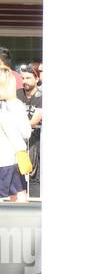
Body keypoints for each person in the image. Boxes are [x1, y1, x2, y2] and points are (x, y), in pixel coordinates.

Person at [0, 55, 32, 202]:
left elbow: (26, 132)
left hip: (12, 161)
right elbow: (26, 132)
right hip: (10, 161)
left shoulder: (14, 105)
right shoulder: (14, 104)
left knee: (18, 200)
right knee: (19, 200)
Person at [17, 65, 41, 195]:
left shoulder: (42, 96)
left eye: (28, 78)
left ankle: (33, 199)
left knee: (32, 173)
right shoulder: (17, 94)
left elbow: (35, 121)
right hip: (17, 140)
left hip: (33, 140)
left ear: (37, 79)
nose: (24, 81)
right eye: (23, 78)